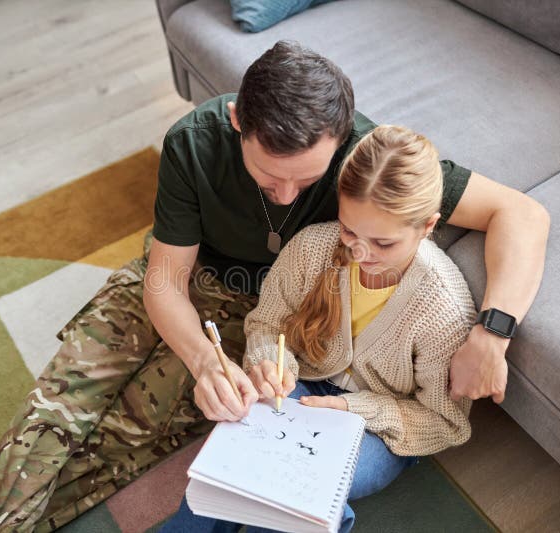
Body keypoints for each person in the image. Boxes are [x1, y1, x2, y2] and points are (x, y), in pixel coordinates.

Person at [0, 40, 549, 532]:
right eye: (267, 174)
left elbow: (522, 214)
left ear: (339, 144)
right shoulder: (194, 142)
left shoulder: (367, 160)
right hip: (176, 290)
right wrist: (204, 362)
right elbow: (165, 281)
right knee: (59, 406)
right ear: (236, 121)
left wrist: (492, 335)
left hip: (260, 317)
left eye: (304, 181)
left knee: (129, 438)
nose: (285, 195)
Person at [160, 125, 478, 533]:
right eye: (350, 231)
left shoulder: (444, 310)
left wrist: (354, 408)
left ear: (428, 226)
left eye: (383, 244)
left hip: (379, 427)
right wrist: (269, 362)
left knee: (293, 489)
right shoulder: (313, 247)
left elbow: (443, 421)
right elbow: (267, 321)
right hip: (301, 388)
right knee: (229, 470)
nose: (361, 254)